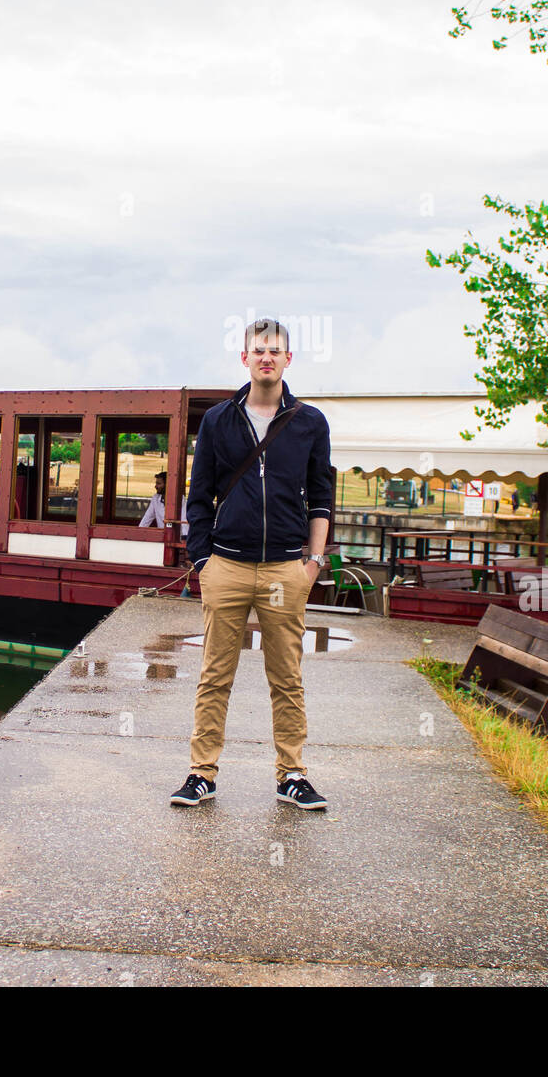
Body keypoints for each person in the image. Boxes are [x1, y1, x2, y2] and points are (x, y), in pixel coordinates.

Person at [171, 317, 333, 810]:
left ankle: (292, 775)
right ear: (245, 358)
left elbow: (322, 499)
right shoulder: (219, 420)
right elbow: (197, 498)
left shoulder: (310, 422)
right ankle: (202, 773)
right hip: (229, 566)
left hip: (287, 568)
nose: (267, 357)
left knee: (286, 677)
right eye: (258, 350)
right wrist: (203, 561)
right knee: (215, 675)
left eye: (276, 350)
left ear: (289, 360)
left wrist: (314, 562)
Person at [139, 471, 188, 537]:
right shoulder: (155, 498)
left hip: (178, 538)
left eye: (159, 483)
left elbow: (184, 519)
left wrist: (185, 538)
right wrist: (139, 532)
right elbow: (147, 518)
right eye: (156, 483)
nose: (156, 486)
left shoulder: (181, 499)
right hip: (162, 538)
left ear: (167, 484)